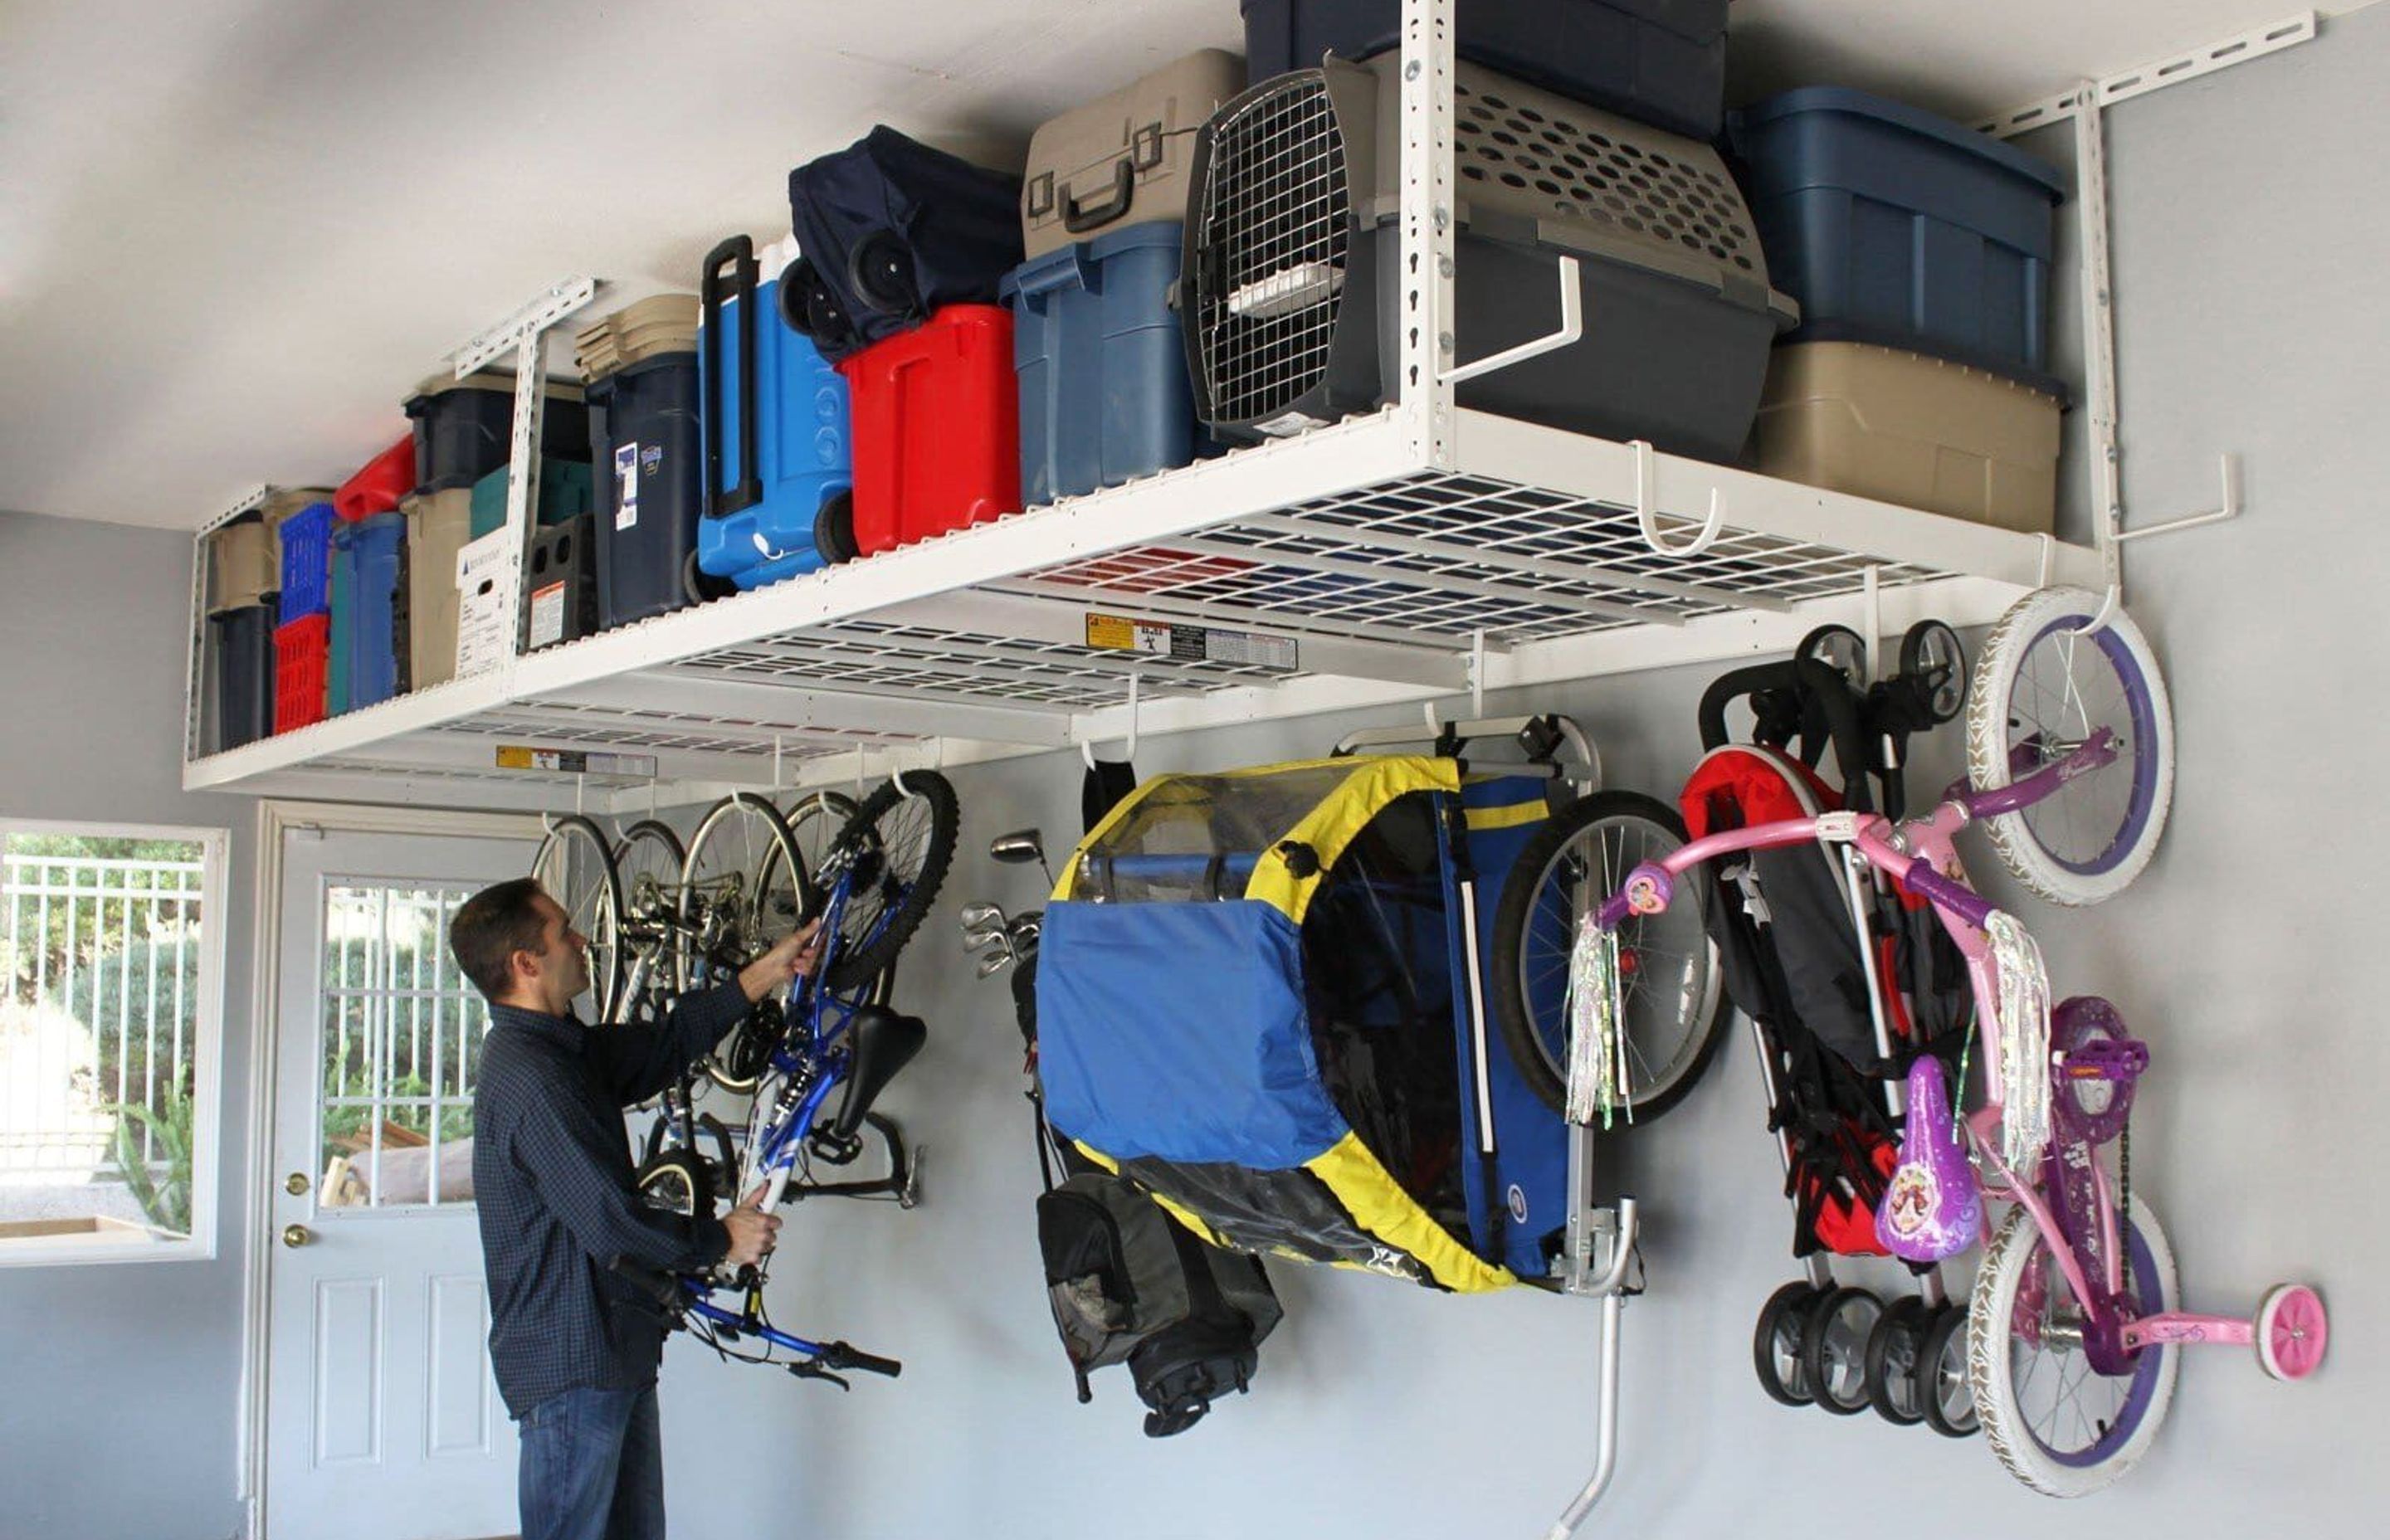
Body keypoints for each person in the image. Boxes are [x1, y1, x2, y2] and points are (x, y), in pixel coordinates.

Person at [451, 875, 821, 1540]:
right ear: (526, 964)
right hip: (573, 1361)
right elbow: (609, 1220)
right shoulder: (533, 1079)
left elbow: (663, 1047)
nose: (582, 940)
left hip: (609, 1349)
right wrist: (719, 1239)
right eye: (564, 932)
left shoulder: (559, 1049)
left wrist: (764, 974)